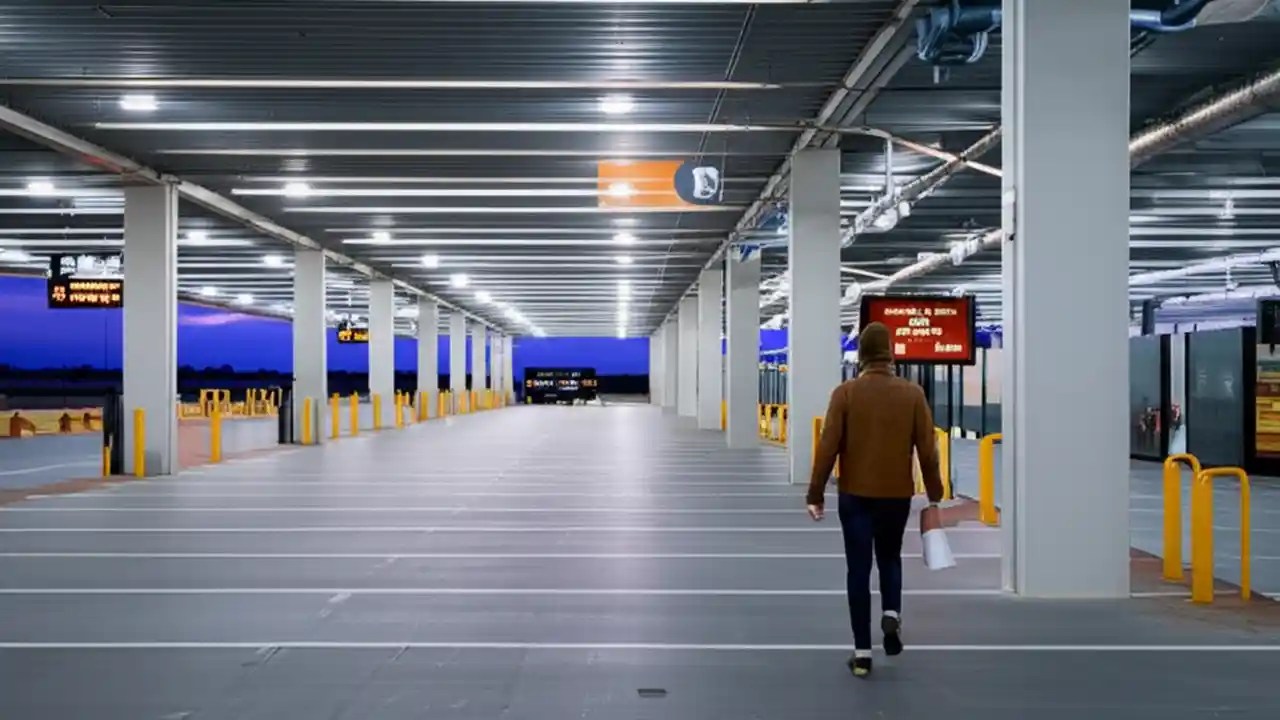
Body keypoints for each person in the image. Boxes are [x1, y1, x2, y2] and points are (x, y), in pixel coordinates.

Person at [805, 321, 945, 678]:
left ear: (862, 355)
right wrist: (934, 492)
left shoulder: (845, 393)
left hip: (854, 495)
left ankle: (863, 653)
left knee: (858, 569)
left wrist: (815, 493)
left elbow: (827, 447)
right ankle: (892, 614)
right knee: (890, 558)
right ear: (891, 353)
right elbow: (928, 450)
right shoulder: (912, 394)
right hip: (896, 495)